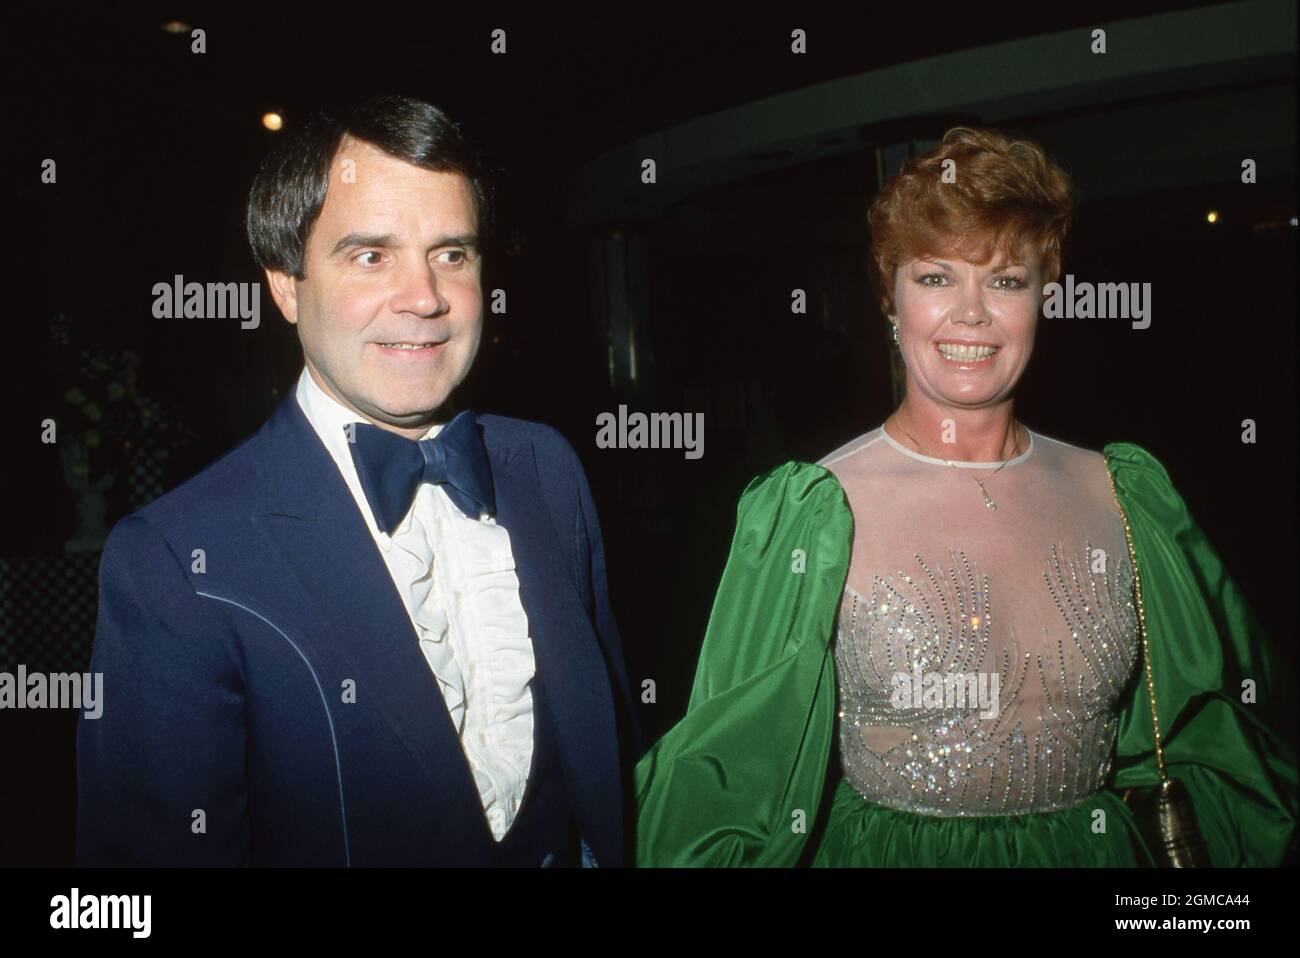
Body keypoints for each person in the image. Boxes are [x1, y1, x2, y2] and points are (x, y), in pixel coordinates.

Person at [634, 127, 1297, 867]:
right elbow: (725, 785)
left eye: (1006, 280)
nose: (973, 314)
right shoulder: (813, 511)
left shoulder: (1127, 494)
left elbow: (1225, 745)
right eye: (937, 277)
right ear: (889, 298)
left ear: (1044, 297)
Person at [77, 95, 639, 867]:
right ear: (284, 285)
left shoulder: (547, 469)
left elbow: (609, 752)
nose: (425, 298)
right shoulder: (176, 561)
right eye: (370, 255)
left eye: (452, 253)